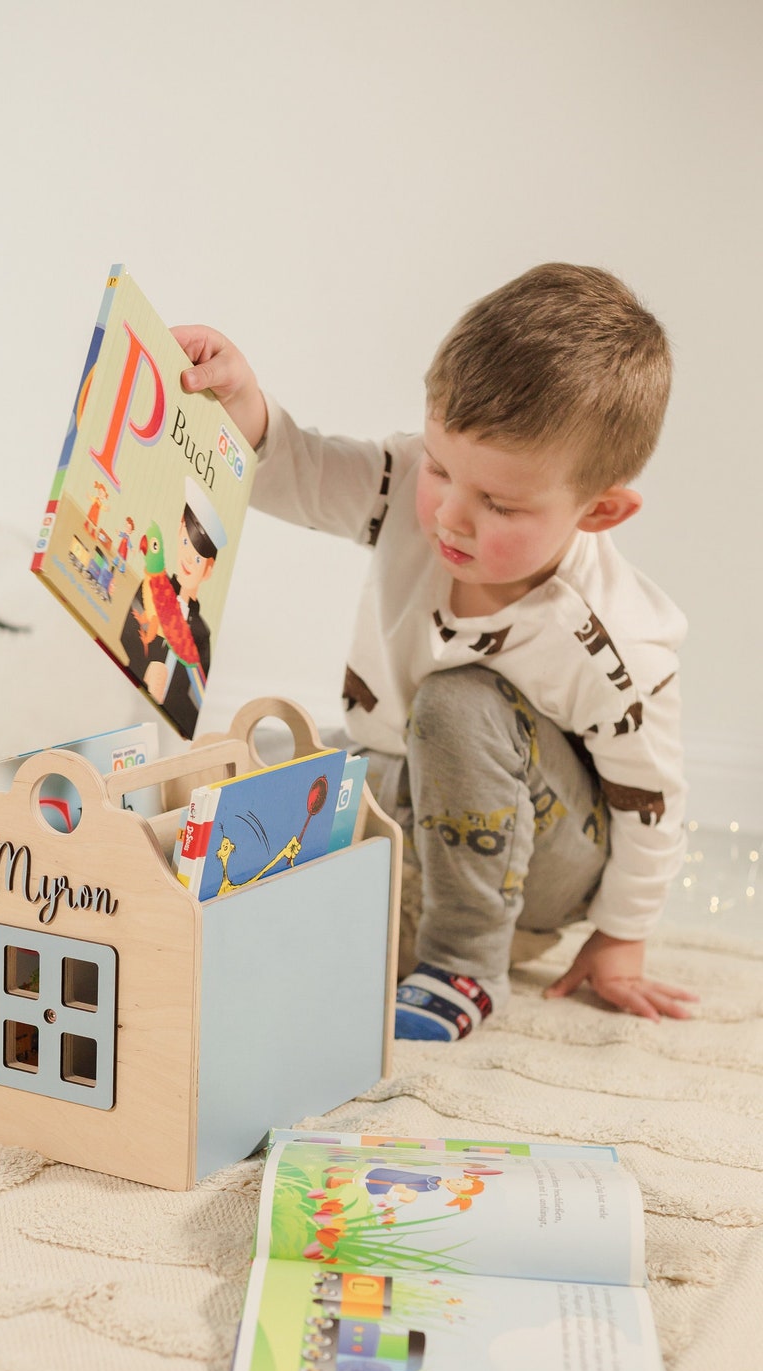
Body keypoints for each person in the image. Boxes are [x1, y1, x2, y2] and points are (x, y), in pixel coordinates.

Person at [173, 263, 697, 1040]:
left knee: (458, 701)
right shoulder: (410, 490)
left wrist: (621, 940)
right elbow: (307, 473)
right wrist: (245, 409)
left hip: (549, 863)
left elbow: (648, 800)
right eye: (442, 467)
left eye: (500, 504)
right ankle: (370, 903)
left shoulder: (614, 642)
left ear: (600, 511)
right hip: (420, 788)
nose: (450, 515)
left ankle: (466, 963)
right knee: (274, 762)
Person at [120, 476, 225, 739]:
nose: (189, 558)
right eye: (186, 542)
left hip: (161, 736)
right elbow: (125, 635)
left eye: (199, 557)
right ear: (179, 533)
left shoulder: (202, 632)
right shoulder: (152, 587)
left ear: (209, 569)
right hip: (121, 707)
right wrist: (149, 666)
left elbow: (196, 698)